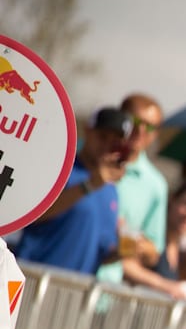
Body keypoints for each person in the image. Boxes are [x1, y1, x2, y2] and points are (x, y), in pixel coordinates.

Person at [15, 107, 131, 274]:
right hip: (32, 278)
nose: (106, 146)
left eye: (114, 142)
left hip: (75, 291)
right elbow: (32, 215)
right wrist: (89, 185)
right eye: (103, 137)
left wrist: (123, 253)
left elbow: (101, 251)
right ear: (88, 131)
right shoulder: (61, 168)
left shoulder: (110, 189)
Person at [97, 93, 169, 287]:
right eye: (135, 120)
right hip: (58, 268)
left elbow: (153, 252)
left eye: (150, 126)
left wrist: (133, 242)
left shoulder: (156, 185)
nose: (141, 130)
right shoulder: (86, 157)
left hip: (106, 287)